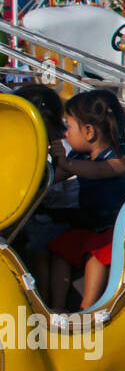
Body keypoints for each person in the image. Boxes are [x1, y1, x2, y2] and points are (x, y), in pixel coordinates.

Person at [48, 90, 125, 311]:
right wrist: (46, 173)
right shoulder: (79, 157)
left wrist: (66, 164)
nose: (65, 133)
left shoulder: (121, 155)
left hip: (120, 228)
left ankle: (88, 307)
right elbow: (56, 177)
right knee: (61, 248)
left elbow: (100, 170)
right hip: (91, 225)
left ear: (89, 131)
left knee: (96, 252)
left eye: (68, 126)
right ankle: (57, 307)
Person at [12, 84, 72, 303]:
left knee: (38, 244)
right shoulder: (27, 143)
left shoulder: (64, 145)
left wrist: (59, 166)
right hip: (36, 211)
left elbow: (55, 185)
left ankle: (43, 298)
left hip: (58, 213)